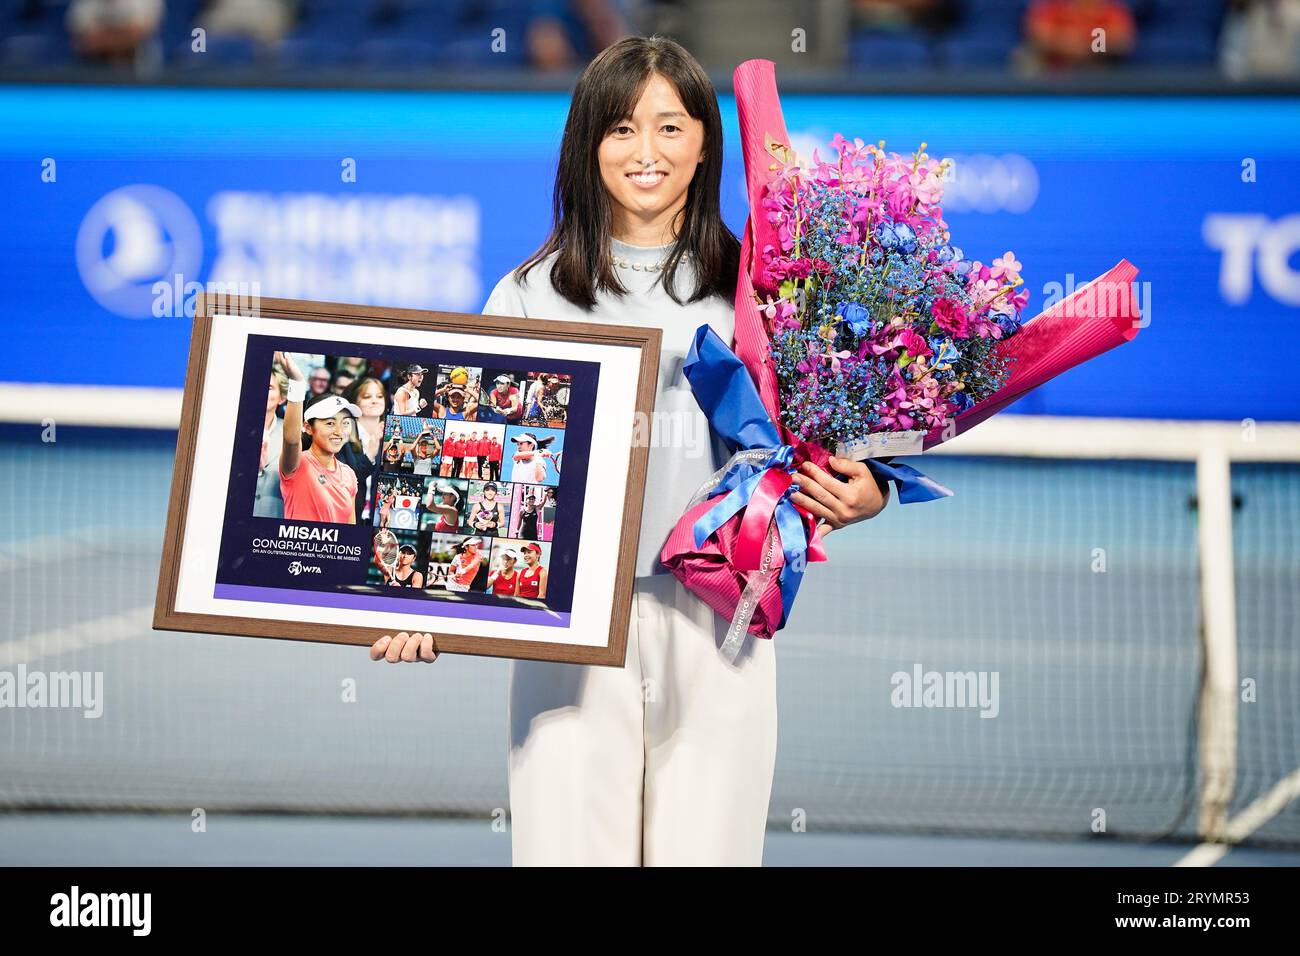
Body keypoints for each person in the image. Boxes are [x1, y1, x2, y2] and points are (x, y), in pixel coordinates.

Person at [370, 37, 889, 866]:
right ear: (587, 146)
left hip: (723, 622)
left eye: (670, 128)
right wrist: (421, 600)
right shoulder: (526, 296)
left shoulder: (768, 287)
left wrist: (866, 493)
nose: (646, 153)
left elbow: (835, 454)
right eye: (619, 130)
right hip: (566, 628)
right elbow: (468, 479)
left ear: (706, 143)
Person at [277, 352, 360, 525]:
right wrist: (298, 383)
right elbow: (291, 439)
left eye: (345, 423)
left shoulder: (349, 474)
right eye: (330, 423)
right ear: (308, 427)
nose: (339, 431)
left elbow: (350, 530)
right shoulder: (298, 463)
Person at [254, 365, 288, 518]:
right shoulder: (236, 427)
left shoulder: (290, 434)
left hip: (273, 520)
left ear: (282, 398)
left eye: (269, 387)